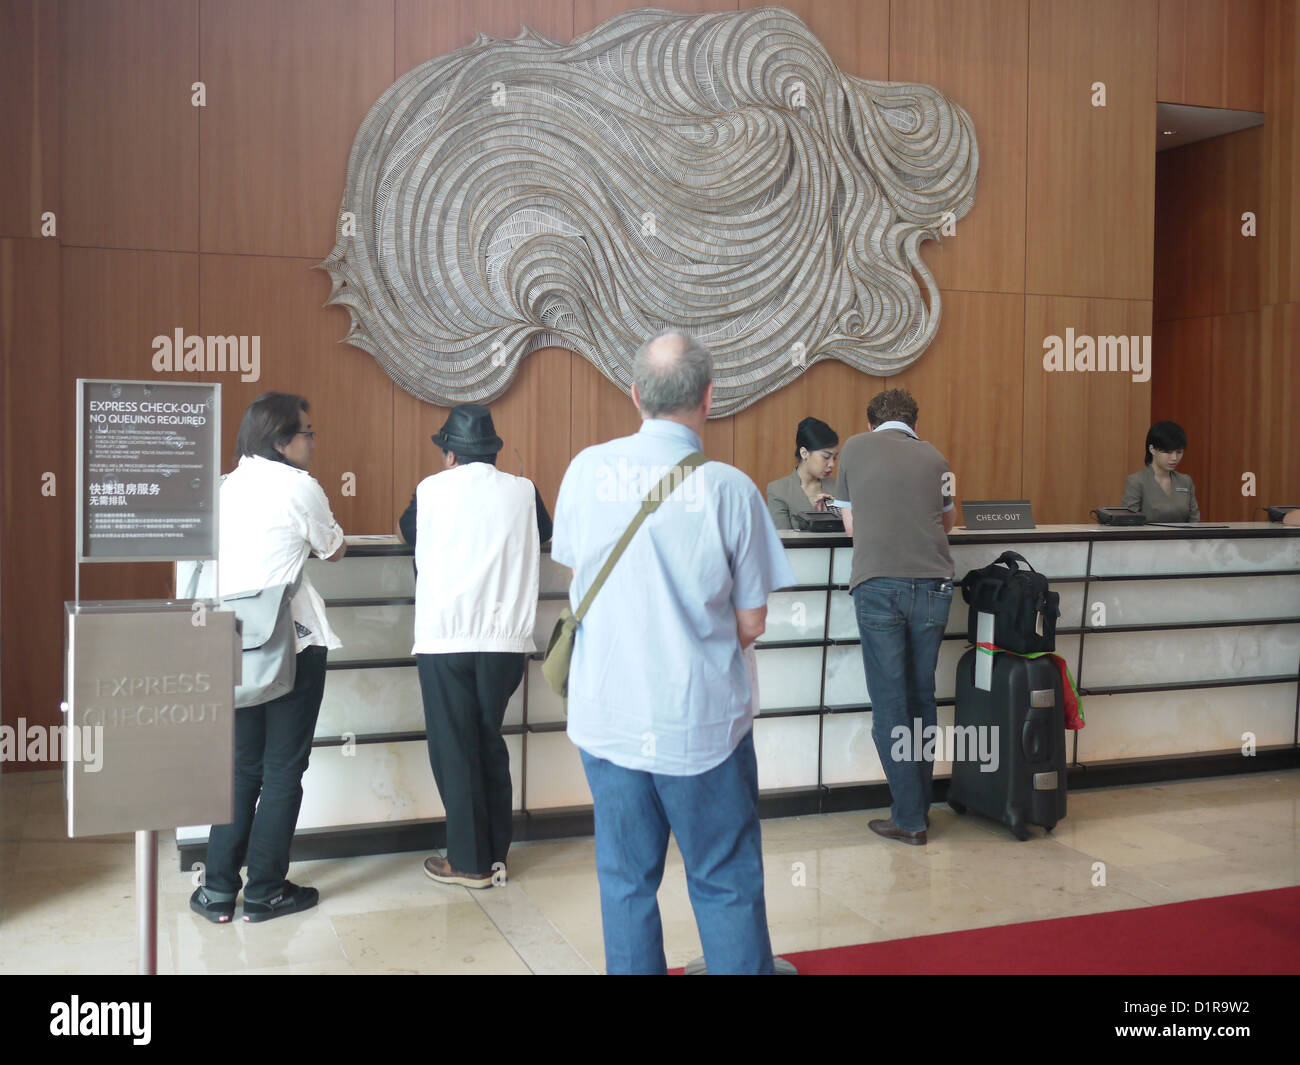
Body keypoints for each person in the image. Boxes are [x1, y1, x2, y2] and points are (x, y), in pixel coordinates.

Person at [552, 330, 795, 975]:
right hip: (701, 724)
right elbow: (751, 624)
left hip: (607, 716)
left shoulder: (584, 471)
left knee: (626, 881)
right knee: (723, 877)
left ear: (634, 394)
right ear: (709, 399)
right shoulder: (730, 490)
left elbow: (579, 572)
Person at [190, 392, 347, 924]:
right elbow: (333, 547)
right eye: (308, 432)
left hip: (230, 642)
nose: (312, 440)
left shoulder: (221, 487)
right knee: (283, 770)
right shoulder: (299, 487)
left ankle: (216, 891)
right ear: (281, 440)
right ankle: (265, 892)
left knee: (240, 769)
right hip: (291, 643)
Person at [399, 404, 550, 888]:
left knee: (453, 749)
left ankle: (467, 862)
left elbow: (408, 532)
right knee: (488, 742)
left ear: (450, 455)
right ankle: (493, 854)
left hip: (446, 636)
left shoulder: (430, 490)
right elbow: (544, 535)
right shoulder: (524, 491)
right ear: (492, 451)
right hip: (506, 641)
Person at [838, 388, 954, 847]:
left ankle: (909, 818)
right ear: (914, 424)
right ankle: (918, 808)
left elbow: (851, 526)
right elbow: (946, 523)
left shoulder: (853, 447)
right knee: (921, 699)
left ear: (871, 424)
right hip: (934, 586)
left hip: (879, 584)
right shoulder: (936, 457)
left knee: (890, 705)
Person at [766, 417, 842, 530]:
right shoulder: (778, 490)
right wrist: (819, 521)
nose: (831, 464)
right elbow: (783, 541)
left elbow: (852, 534)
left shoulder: (839, 487)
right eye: (826, 457)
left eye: (834, 458)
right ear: (804, 453)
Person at [1121, 420, 1200, 522]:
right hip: (1148, 537)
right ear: (1152, 449)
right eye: (1168, 452)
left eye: (1179, 452)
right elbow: (1129, 523)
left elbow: (1194, 520)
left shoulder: (1185, 481)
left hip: (1184, 537)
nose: (1174, 458)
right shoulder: (1136, 481)